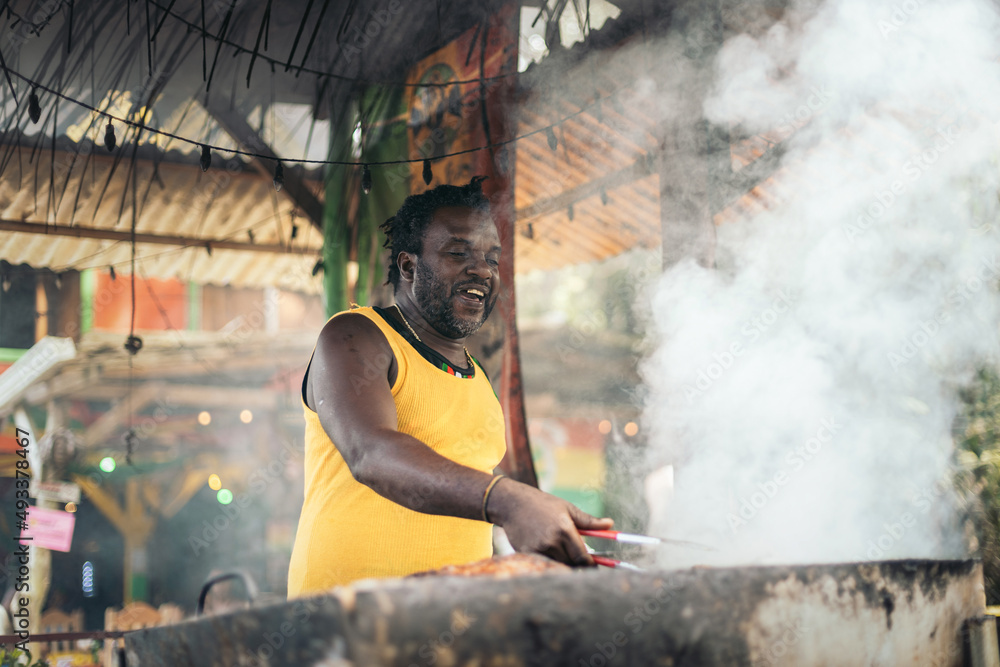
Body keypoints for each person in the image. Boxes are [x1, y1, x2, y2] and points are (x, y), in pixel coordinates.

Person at [287, 177, 613, 596]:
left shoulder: (477, 378)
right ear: (408, 266)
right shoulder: (355, 336)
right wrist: (509, 500)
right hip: (343, 621)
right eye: (458, 253)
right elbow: (371, 454)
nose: (481, 270)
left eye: (492, 259)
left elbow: (460, 499)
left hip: (451, 624)